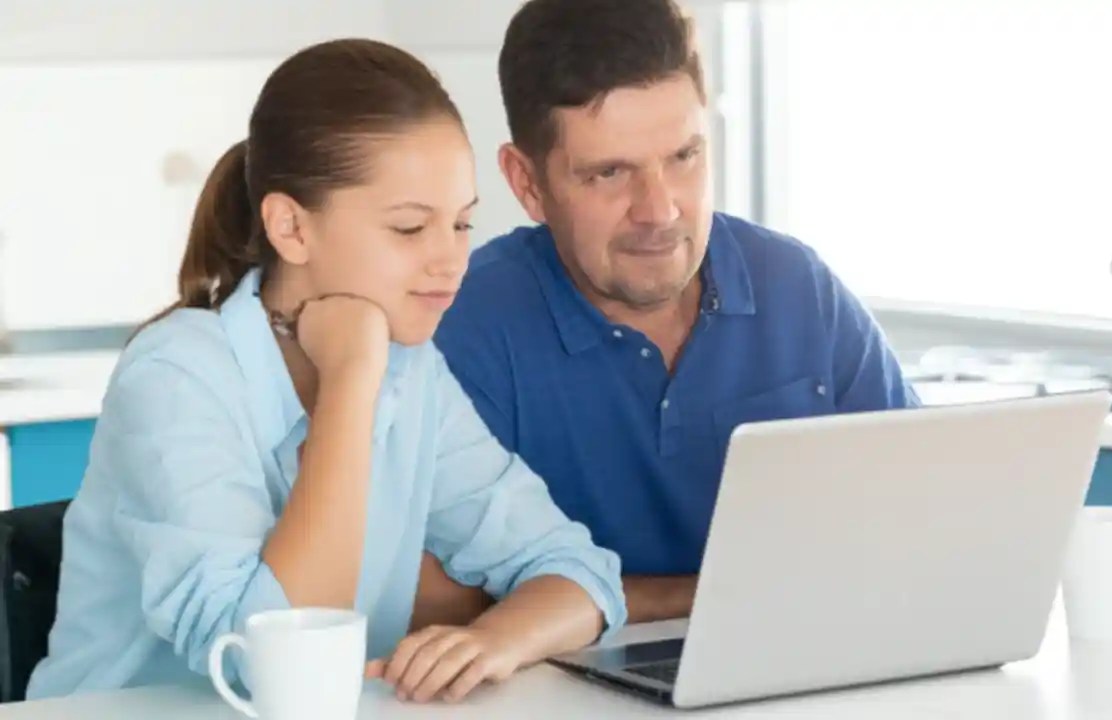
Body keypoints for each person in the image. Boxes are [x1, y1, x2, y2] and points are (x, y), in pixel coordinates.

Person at [27, 38, 625, 704]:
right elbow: (266, 662)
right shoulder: (178, 376)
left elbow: (580, 572)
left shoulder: (411, 371)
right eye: (407, 228)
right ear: (290, 227)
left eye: (461, 225)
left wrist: (497, 639)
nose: (450, 260)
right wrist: (350, 382)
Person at [432, 0, 919, 625]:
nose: (659, 211)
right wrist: (711, 598)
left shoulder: (799, 289)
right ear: (528, 183)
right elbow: (444, 606)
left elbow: (914, 521)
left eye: (684, 157)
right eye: (610, 173)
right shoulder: (464, 328)